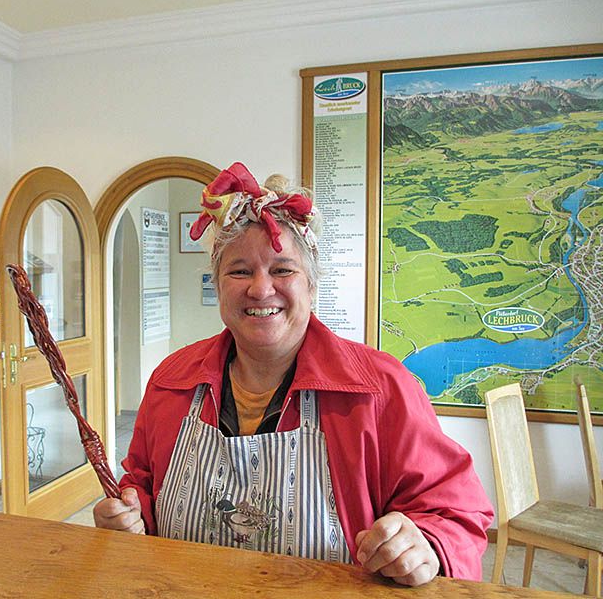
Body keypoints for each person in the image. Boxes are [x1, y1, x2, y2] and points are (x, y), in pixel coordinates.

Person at [94, 162, 493, 586]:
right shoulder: (172, 381)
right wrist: (129, 515)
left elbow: (457, 514)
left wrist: (426, 544)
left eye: (282, 269)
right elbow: (142, 487)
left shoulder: (379, 389)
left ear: (312, 285)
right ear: (218, 284)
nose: (260, 289)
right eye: (239, 271)